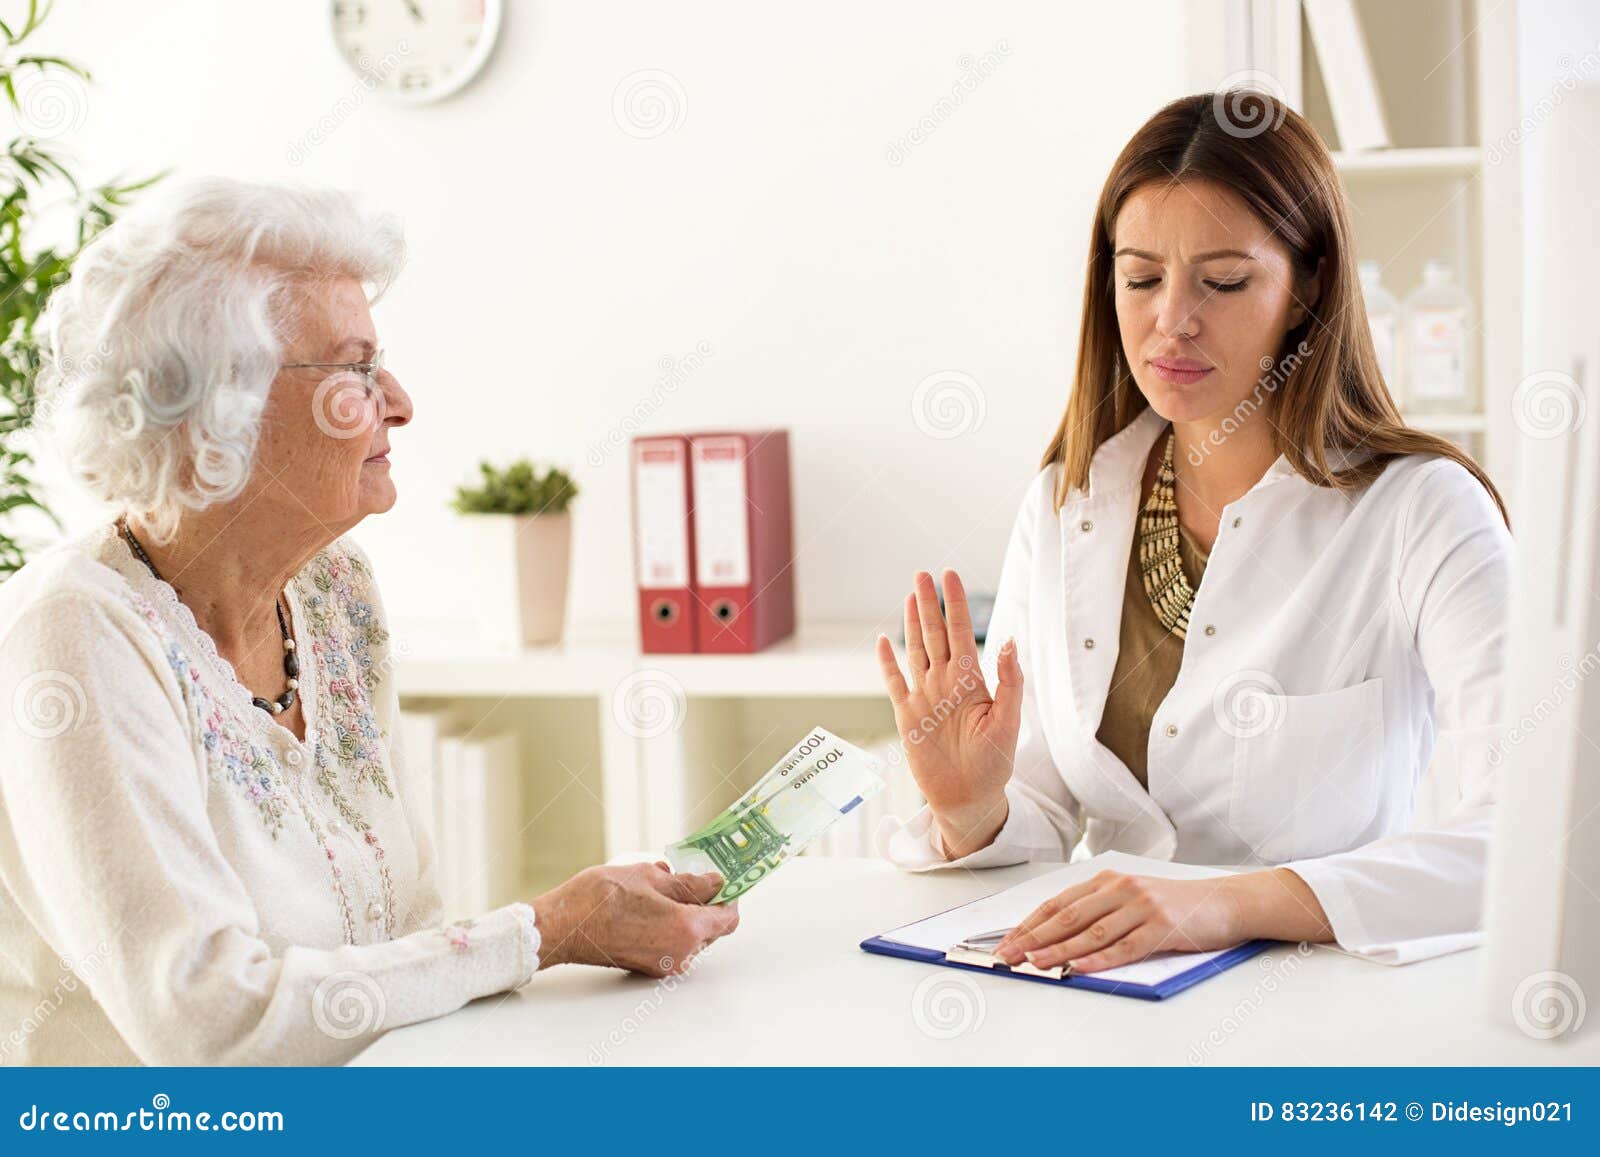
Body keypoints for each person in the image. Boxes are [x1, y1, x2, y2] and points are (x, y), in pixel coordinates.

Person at [0, 178, 737, 1065]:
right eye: (354, 368)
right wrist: (545, 929)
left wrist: (550, 944)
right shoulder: (69, 636)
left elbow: (410, 933)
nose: (398, 398)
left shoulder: (335, 590)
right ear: (219, 405)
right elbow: (210, 1026)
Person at [875, 91, 1511, 973]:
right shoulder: (1067, 499)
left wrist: (1222, 903)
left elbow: (1539, 837)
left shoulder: (1425, 511)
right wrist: (970, 807)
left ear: (1309, 284)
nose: (1172, 319)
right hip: (1110, 1007)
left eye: (1223, 282)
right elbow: (1048, 818)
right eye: (1140, 279)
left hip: (1323, 1022)